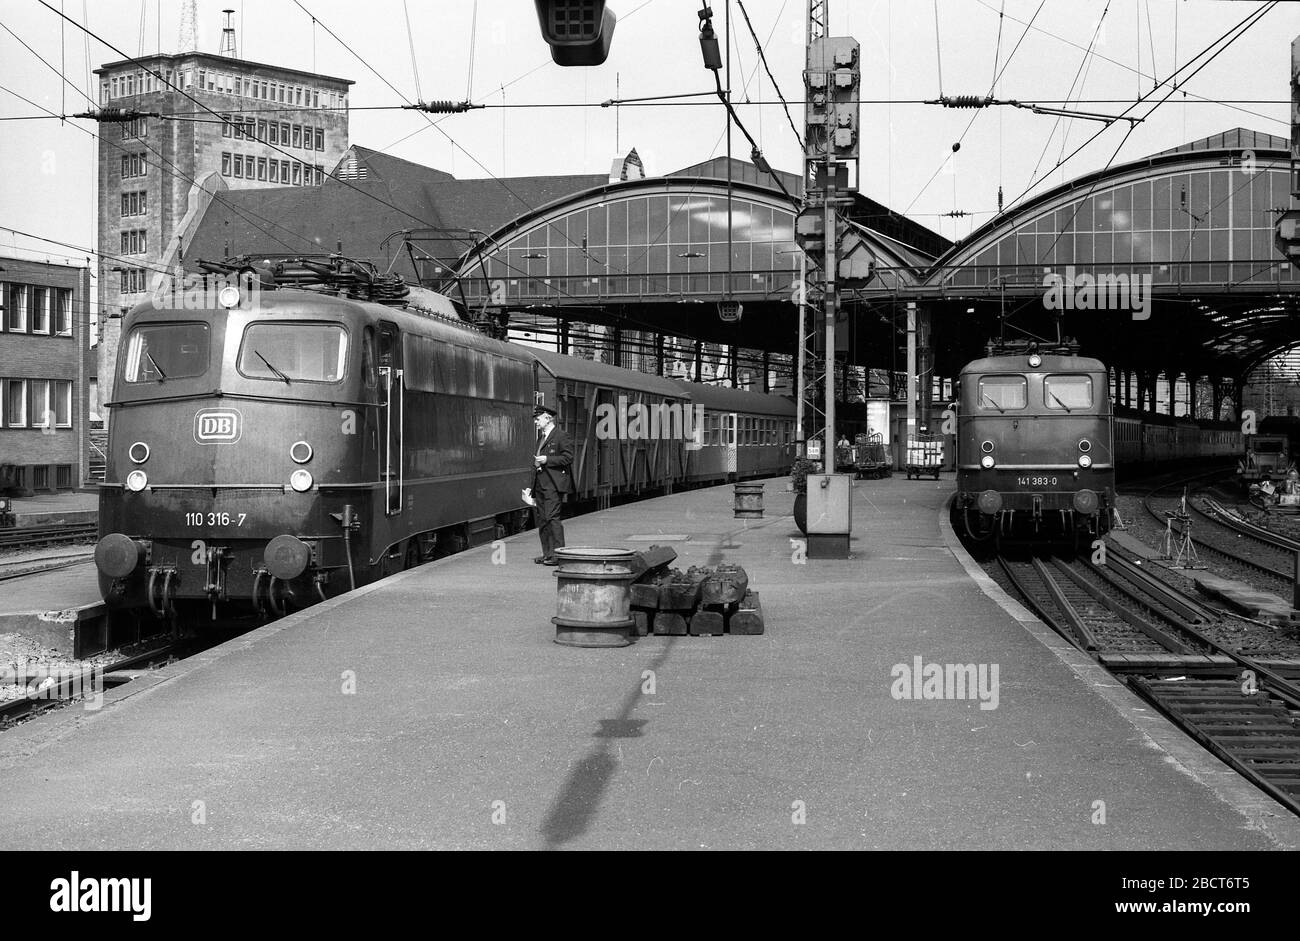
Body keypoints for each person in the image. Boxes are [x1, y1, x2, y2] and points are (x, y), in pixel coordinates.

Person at [530, 404, 573, 565]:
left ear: (548, 418)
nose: (536, 422)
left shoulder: (561, 436)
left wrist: (548, 460)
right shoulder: (541, 438)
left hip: (553, 484)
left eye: (538, 419)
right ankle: (547, 553)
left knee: (552, 518)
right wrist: (531, 485)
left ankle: (558, 554)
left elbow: (568, 458)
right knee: (542, 519)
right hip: (540, 483)